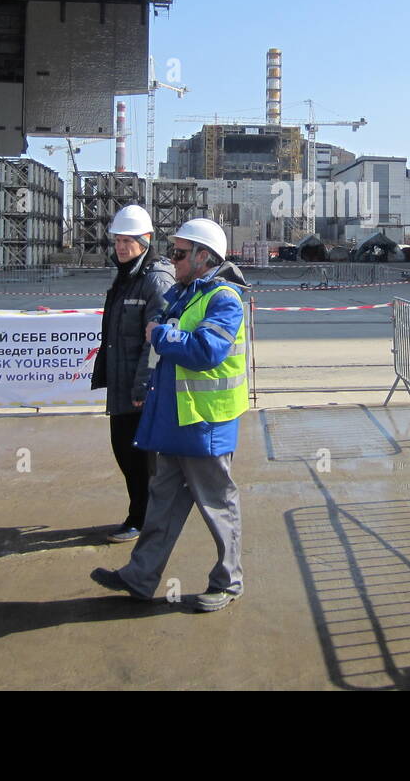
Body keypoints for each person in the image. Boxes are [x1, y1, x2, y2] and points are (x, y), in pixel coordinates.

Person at [91, 216, 249, 612]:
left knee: (217, 505)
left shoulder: (224, 298)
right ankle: (139, 576)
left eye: (179, 253)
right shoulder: (185, 293)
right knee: (161, 502)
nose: (173, 258)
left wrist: (161, 334)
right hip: (176, 420)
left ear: (204, 256)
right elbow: (168, 325)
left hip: (206, 424)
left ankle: (228, 582)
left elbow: (206, 350)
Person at [89, 205, 175, 544]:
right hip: (123, 383)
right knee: (124, 451)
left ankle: (142, 519)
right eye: (118, 240)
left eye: (129, 241)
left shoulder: (155, 279)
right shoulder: (127, 275)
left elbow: (153, 341)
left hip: (140, 387)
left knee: (139, 457)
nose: (121, 247)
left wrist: (143, 384)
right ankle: (146, 513)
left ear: (147, 239)